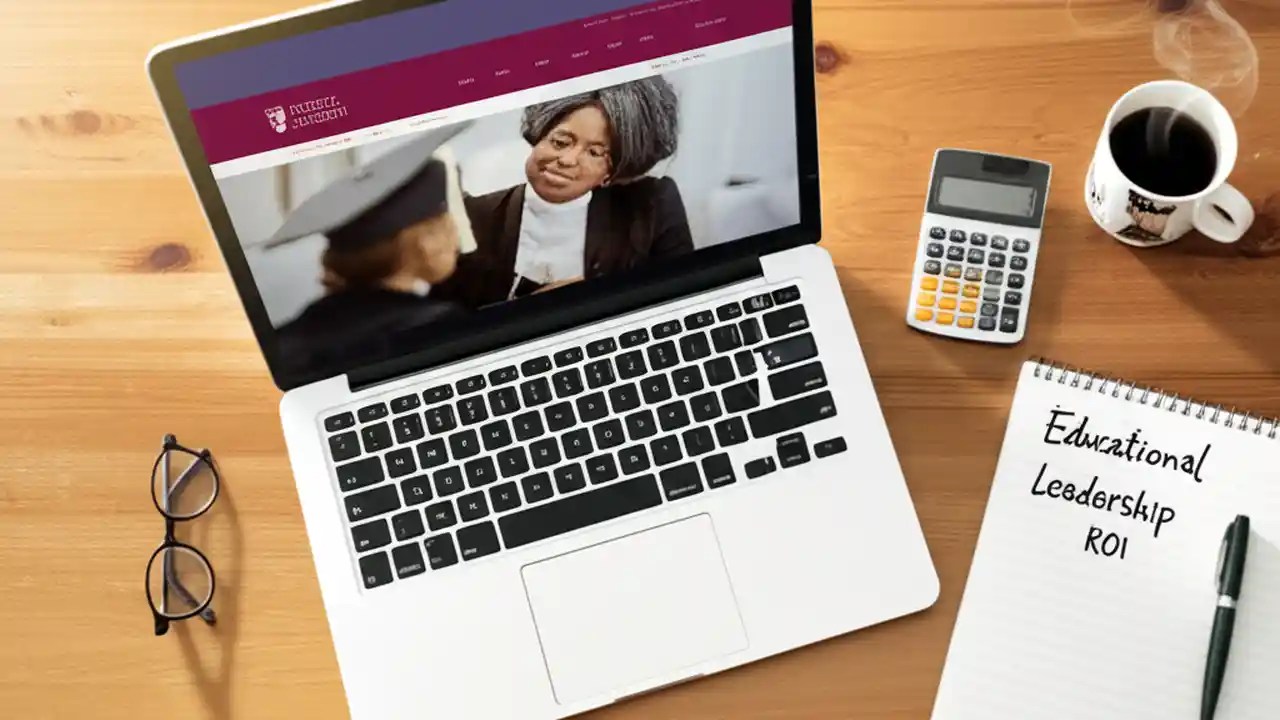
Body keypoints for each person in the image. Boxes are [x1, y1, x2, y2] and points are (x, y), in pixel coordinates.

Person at [433, 77, 694, 308]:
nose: (568, 160)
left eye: (594, 153)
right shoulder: (473, 217)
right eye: (560, 142)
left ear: (612, 172)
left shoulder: (652, 205)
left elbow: (684, 294)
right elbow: (442, 323)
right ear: (539, 135)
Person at [267, 127, 475, 379]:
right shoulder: (434, 327)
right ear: (423, 243)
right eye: (446, 222)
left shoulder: (282, 339)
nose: (456, 234)